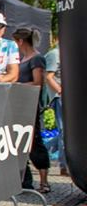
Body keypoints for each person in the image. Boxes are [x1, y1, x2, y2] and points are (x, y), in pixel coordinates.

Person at [13, 28, 50, 193]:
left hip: (31, 105)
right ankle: (24, 180)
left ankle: (44, 182)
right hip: (20, 105)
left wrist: (17, 86)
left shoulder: (37, 59)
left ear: (20, 41)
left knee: (35, 141)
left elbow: (37, 83)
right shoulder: (23, 59)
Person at [43, 42, 65, 176]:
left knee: (68, 132)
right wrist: (60, 91)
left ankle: (43, 149)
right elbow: (48, 77)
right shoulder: (55, 54)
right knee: (65, 132)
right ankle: (64, 166)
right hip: (60, 98)